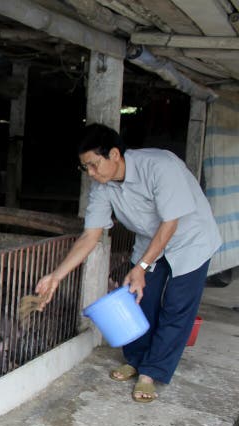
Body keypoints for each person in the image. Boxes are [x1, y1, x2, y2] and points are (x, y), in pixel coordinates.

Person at [34, 123, 221, 403]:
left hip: (190, 240)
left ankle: (151, 372)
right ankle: (135, 359)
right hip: (150, 242)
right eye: (86, 168)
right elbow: (90, 235)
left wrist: (142, 268)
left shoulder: (160, 166)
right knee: (139, 301)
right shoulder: (104, 187)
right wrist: (57, 275)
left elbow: (170, 224)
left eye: (94, 165)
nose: (92, 174)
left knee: (176, 307)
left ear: (115, 154)